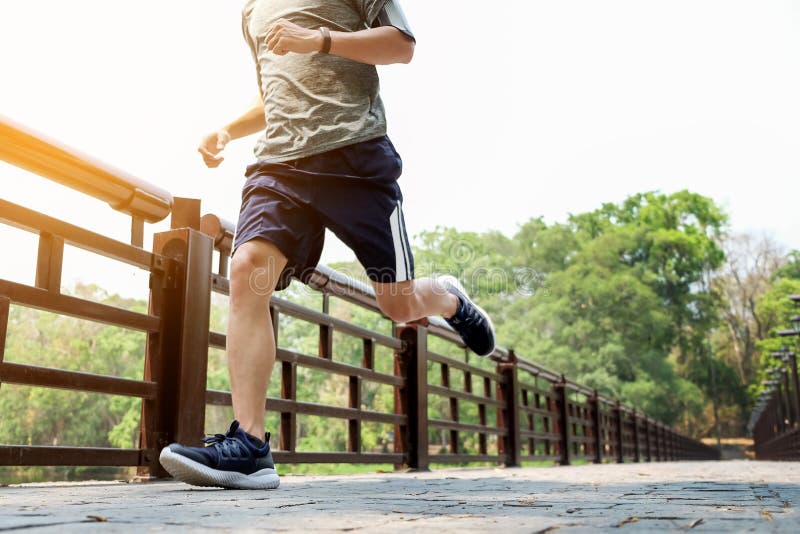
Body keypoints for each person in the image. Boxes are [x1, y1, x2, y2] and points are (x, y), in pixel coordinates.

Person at [159, 0, 495, 490]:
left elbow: (401, 47)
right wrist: (228, 129)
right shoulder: (252, 10)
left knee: (397, 306)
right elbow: (277, 96)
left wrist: (319, 39)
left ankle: (447, 297)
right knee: (247, 268)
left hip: (357, 159)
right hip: (279, 166)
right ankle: (251, 448)